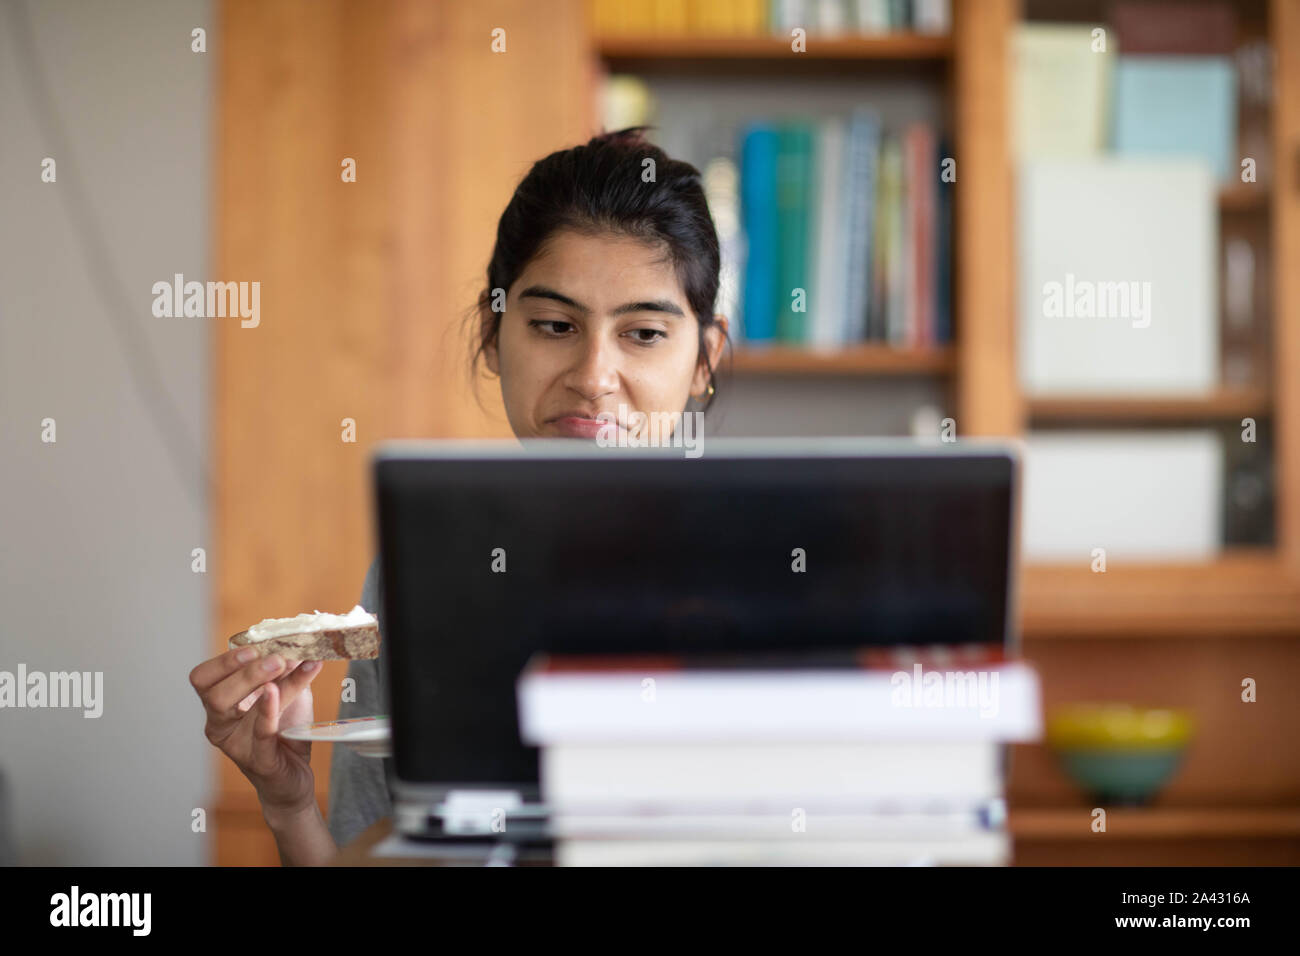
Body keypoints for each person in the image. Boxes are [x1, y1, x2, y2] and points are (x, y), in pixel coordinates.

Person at [189, 128, 730, 865]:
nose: (594, 375)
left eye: (642, 333)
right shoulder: (426, 570)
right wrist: (287, 801)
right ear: (493, 333)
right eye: (553, 326)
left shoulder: (774, 573)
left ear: (705, 359)